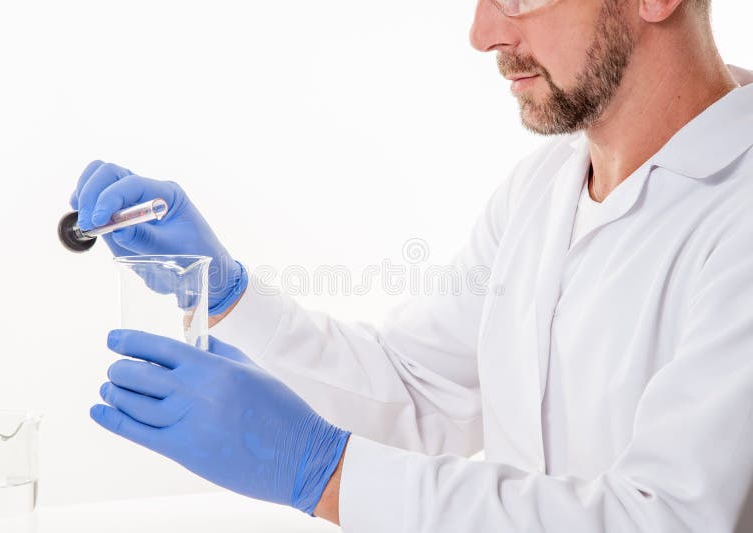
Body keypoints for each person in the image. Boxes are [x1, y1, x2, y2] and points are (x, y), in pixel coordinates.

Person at [71, 0, 753, 530]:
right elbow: (419, 391)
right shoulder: (542, 190)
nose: (483, 34)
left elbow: (668, 518)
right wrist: (229, 296)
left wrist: (329, 475)